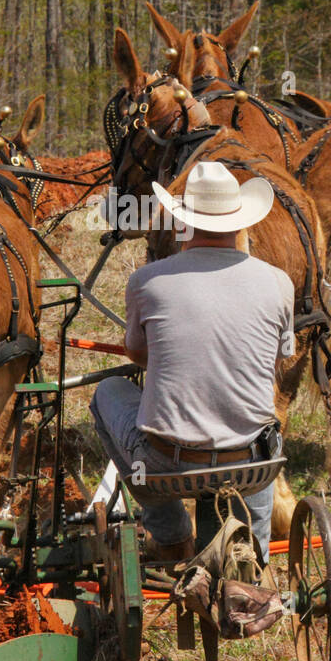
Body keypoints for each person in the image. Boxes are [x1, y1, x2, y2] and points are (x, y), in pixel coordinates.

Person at [90, 160, 294, 564]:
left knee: (107, 392)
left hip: (168, 461)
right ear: (240, 223)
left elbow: (137, 354)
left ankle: (170, 534)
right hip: (251, 460)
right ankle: (254, 553)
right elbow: (278, 358)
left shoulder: (147, 280)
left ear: (183, 223)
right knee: (262, 431)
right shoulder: (278, 282)